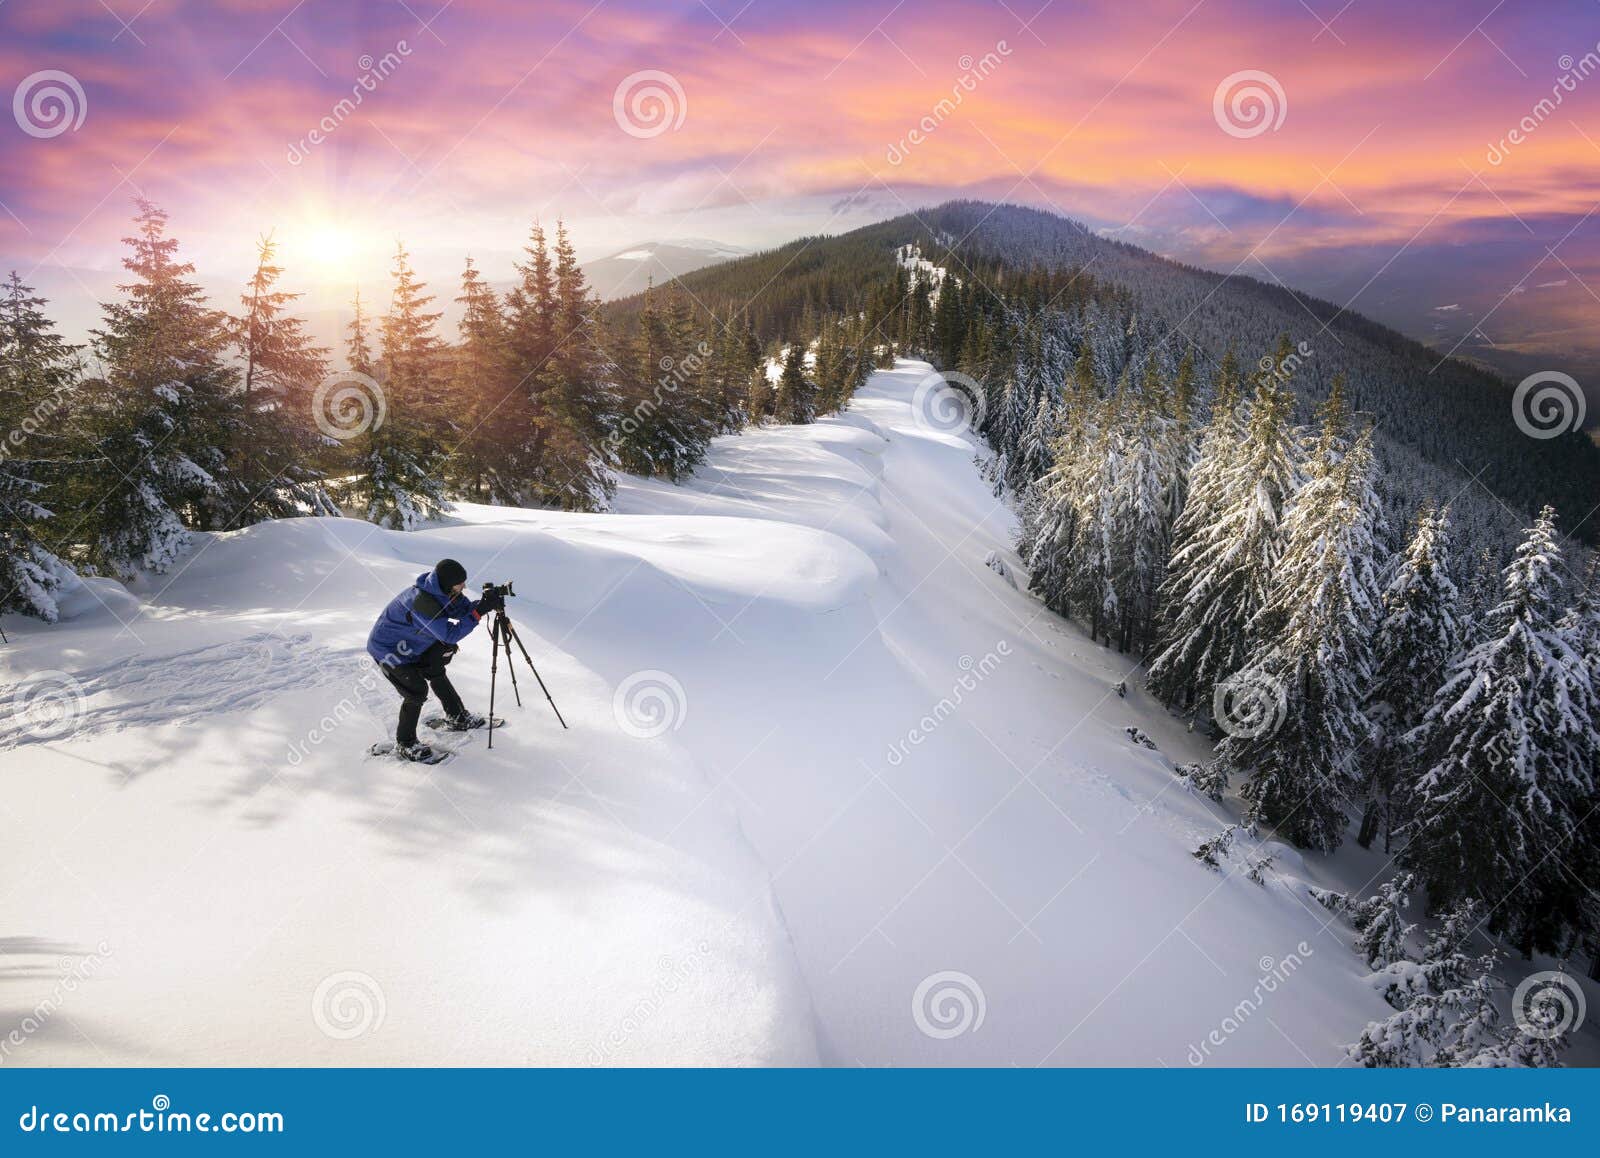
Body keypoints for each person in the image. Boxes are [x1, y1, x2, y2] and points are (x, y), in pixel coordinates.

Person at [366, 558, 505, 761]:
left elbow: (464, 610)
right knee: (416, 691)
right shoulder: (420, 601)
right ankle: (405, 743)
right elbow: (449, 634)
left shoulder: (446, 592)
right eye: (460, 583)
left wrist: (485, 603)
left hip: (416, 642)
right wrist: (479, 612)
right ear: (448, 584)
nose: (464, 586)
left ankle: (457, 717)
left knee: (435, 668)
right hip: (389, 650)